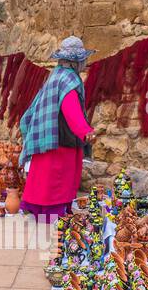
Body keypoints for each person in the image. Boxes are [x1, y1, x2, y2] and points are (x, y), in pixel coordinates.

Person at [19, 36, 94, 220]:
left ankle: (40, 211)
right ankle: (53, 214)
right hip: (61, 140)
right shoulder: (69, 79)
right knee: (57, 180)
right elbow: (71, 110)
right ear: (76, 61)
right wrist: (85, 131)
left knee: (43, 178)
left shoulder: (56, 76)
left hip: (48, 136)